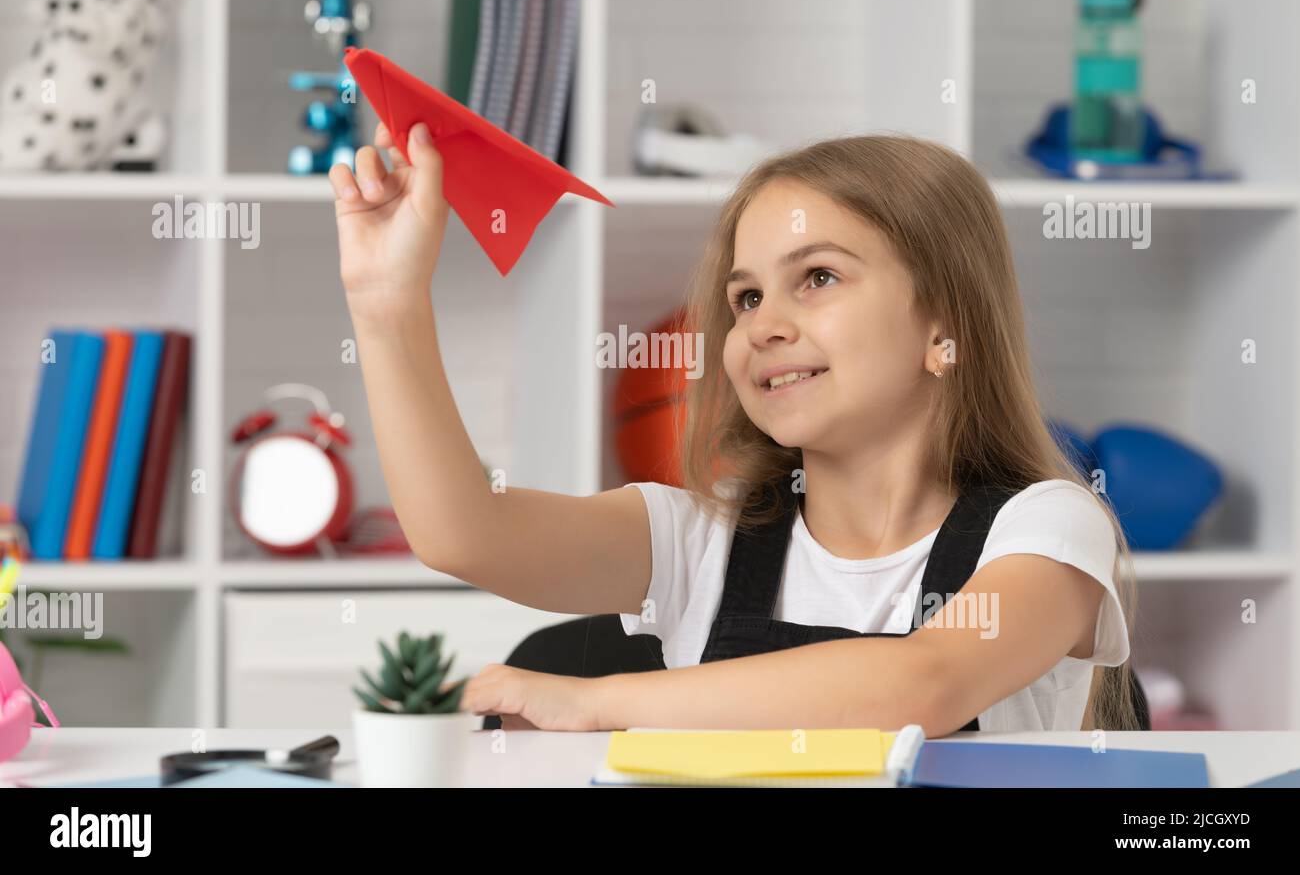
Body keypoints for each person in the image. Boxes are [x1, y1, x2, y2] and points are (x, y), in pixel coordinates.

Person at [328, 125, 1139, 734]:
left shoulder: (1045, 529)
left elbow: (924, 683)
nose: (761, 325)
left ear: (944, 326)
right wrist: (386, 305)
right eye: (746, 297)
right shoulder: (700, 541)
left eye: (817, 277)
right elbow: (465, 534)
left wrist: (596, 703)